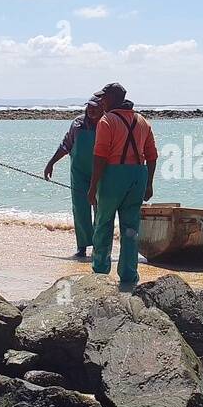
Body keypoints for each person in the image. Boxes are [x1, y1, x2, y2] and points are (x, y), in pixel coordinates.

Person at [87, 83, 158, 285]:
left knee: (103, 224)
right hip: (138, 176)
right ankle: (128, 275)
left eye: (103, 98)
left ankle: (100, 273)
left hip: (113, 176)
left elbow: (100, 156)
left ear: (112, 98)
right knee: (130, 228)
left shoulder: (106, 120)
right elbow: (152, 156)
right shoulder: (142, 121)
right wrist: (149, 184)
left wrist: (92, 187)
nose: (101, 101)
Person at [44, 96, 105, 259]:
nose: (91, 111)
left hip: (101, 172)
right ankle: (82, 246)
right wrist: (51, 163)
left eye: (95, 108)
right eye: (89, 107)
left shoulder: (106, 124)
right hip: (79, 172)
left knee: (101, 209)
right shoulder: (78, 124)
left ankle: (99, 245)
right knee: (80, 209)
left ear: (102, 109)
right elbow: (66, 145)